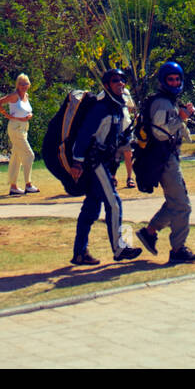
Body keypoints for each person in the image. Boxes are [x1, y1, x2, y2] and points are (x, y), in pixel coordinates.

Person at [69, 69, 142, 266]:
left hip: (106, 163)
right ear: (107, 85)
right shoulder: (101, 109)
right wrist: (77, 162)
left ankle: (79, 252)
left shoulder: (118, 108)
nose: (120, 84)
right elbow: (84, 135)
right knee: (114, 204)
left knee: (91, 208)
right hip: (95, 162)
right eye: (115, 81)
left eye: (122, 81)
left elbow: (119, 138)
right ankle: (120, 249)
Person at [135, 62, 195, 264]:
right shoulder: (162, 103)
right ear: (163, 81)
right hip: (163, 158)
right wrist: (181, 117)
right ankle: (178, 249)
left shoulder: (169, 101)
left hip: (166, 158)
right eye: (171, 79)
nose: (175, 82)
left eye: (177, 79)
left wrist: (183, 116)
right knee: (182, 205)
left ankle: (150, 232)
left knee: (176, 201)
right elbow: (160, 133)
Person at [0, 74, 39, 196]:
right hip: (15, 128)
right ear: (17, 85)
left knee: (16, 157)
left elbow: (27, 110)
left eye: (25, 84)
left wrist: (30, 115)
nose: (23, 86)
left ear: (29, 85)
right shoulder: (14, 96)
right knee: (29, 155)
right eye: (21, 84)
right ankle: (28, 184)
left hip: (24, 128)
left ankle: (13, 187)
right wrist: (7, 115)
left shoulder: (26, 96)